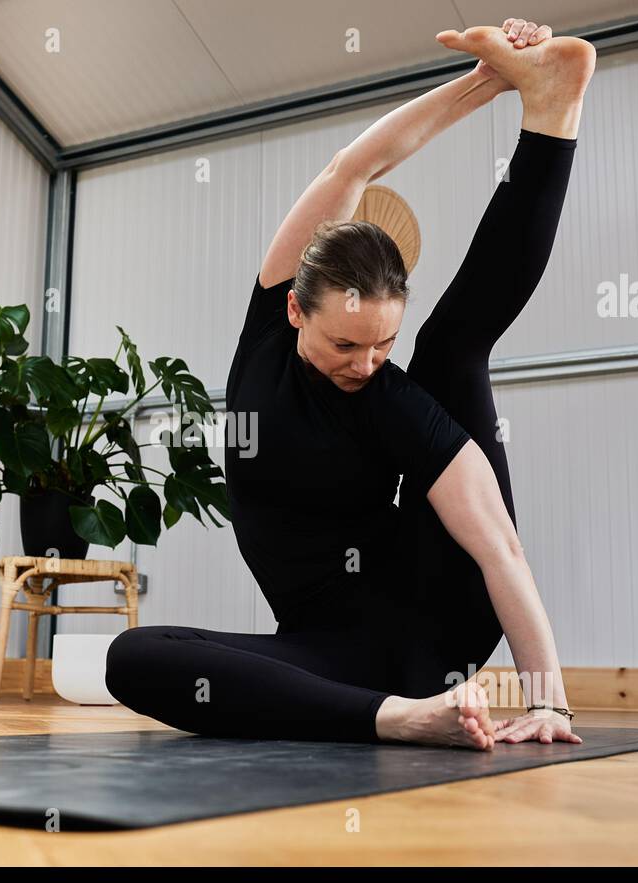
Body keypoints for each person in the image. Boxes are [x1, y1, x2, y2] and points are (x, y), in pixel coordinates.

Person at [105, 20, 594, 750]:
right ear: (296, 308)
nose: (366, 364)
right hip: (330, 652)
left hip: (437, 623)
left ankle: (552, 111)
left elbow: (499, 548)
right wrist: (483, 80)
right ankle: (399, 718)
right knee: (135, 658)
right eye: (345, 343)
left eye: (383, 344)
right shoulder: (269, 321)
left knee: (452, 352)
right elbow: (353, 168)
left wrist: (550, 701)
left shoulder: (395, 403)